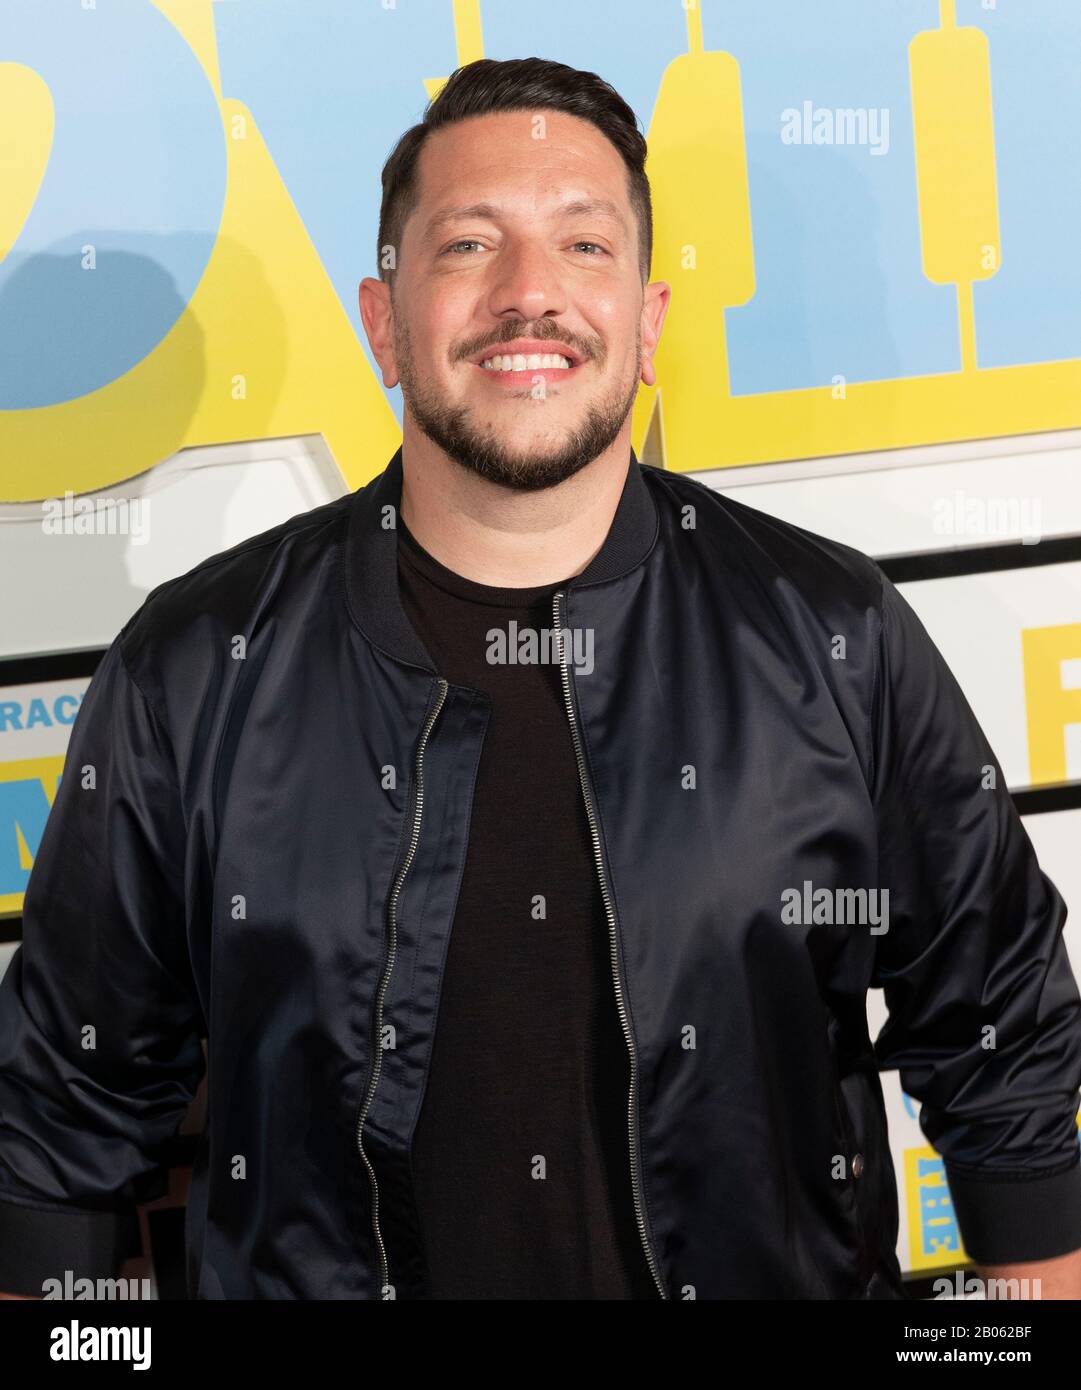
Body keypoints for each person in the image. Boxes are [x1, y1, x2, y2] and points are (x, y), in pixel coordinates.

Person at [2, 56, 1080, 1301]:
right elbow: (57, 1139)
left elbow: (1005, 1049)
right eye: (468, 245)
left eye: (582, 245)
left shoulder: (834, 634)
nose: (530, 297)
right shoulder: (192, 673)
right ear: (383, 321)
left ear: (649, 319)